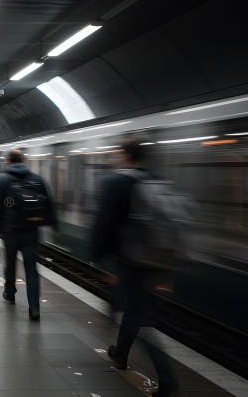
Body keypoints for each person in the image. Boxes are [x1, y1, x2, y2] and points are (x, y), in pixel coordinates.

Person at [90, 138, 176, 396]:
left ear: (126, 156)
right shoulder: (159, 179)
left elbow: (104, 223)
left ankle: (167, 380)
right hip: (157, 258)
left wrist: (98, 257)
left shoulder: (116, 182)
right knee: (134, 308)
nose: (115, 158)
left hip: (130, 259)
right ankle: (120, 354)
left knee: (140, 315)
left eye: (118, 154)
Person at [0, 149, 56, 321]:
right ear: (24, 160)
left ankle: (10, 292)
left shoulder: (2, 179)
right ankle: (34, 307)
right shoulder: (37, 179)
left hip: (11, 231)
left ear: (8, 161)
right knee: (32, 270)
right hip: (31, 231)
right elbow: (49, 204)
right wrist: (52, 225)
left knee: (10, 264)